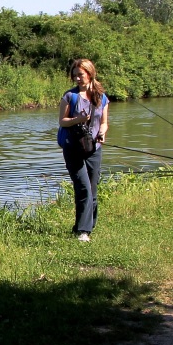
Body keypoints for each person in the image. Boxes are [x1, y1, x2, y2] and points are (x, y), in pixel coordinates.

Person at [57, 58, 109, 241]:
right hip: (73, 148)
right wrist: (77, 120)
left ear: (90, 74)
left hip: (94, 148)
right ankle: (83, 231)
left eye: (80, 74)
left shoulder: (101, 97)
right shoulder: (69, 96)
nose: (77, 78)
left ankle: (87, 225)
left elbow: (104, 122)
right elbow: (62, 121)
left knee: (92, 190)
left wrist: (102, 133)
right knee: (83, 188)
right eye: (74, 75)